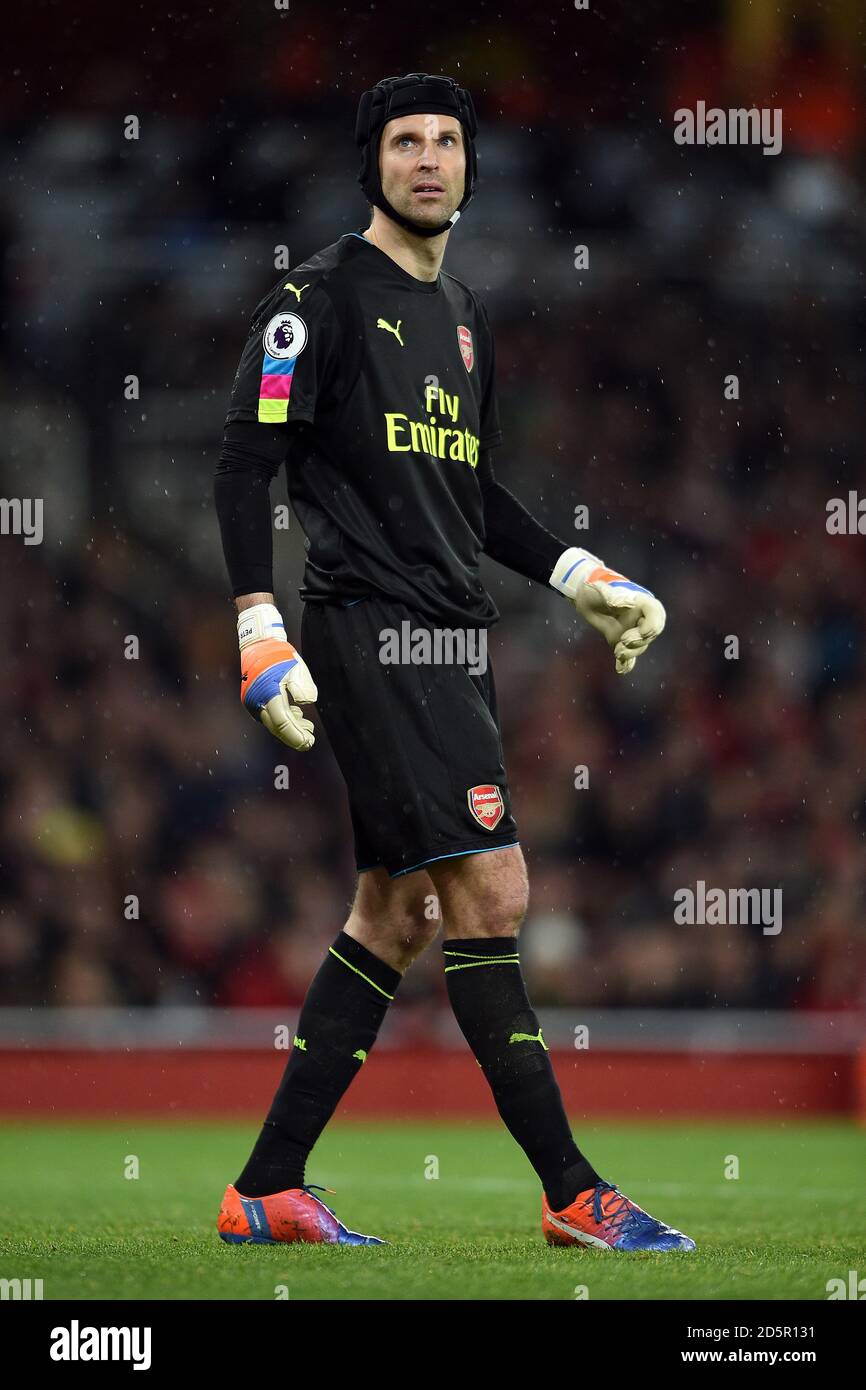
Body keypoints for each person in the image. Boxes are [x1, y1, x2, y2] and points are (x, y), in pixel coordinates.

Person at [213, 72, 694, 1252]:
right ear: (369, 164)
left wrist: (581, 575)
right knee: (493, 889)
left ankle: (267, 1185)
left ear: (470, 169)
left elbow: (467, 494)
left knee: (392, 913)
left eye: (445, 142)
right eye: (402, 142)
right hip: (371, 627)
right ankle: (572, 1189)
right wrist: (256, 625)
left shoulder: (464, 318)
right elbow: (242, 463)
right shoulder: (313, 301)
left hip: (449, 631)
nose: (427, 159)